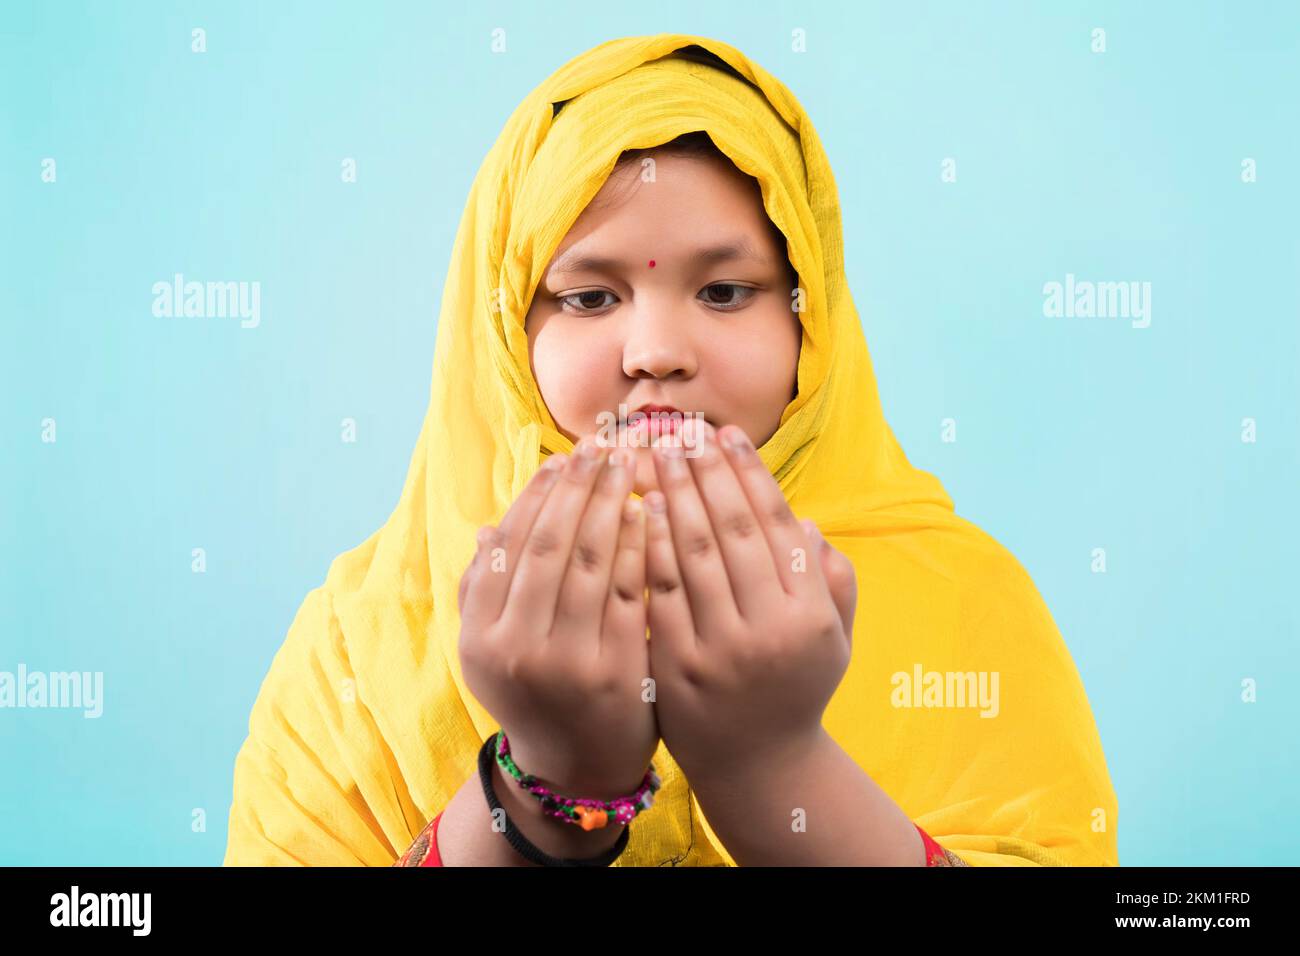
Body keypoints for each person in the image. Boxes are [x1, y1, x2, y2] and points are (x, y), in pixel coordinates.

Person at [224, 34, 1119, 868]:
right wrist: (546, 785)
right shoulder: (355, 651)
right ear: (503, 330)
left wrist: (771, 766)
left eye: (726, 291)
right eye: (586, 298)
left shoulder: (969, 608)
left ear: (811, 324)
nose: (655, 350)